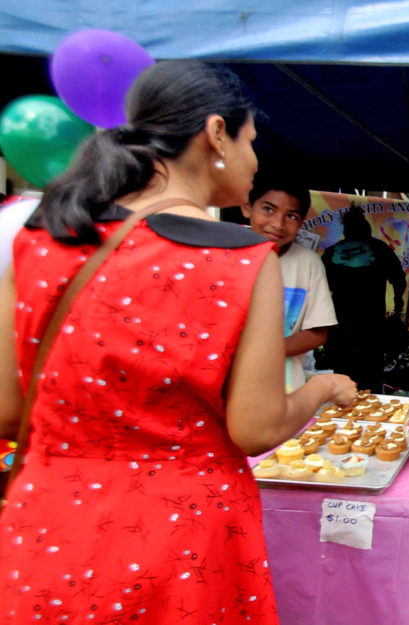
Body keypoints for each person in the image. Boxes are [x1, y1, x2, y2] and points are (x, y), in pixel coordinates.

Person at [0, 60, 357, 622]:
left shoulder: (39, 242)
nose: (255, 160)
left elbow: (7, 408)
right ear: (217, 134)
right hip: (183, 541)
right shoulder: (237, 260)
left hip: (51, 527)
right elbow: (256, 428)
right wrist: (320, 390)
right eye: (251, 141)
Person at [242, 176, 337, 391]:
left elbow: (318, 332)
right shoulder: (225, 256)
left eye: (291, 215)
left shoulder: (308, 263)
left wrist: (264, 352)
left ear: (302, 221)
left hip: (284, 389)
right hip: (227, 386)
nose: (278, 223)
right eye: (268, 209)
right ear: (247, 207)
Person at [321, 207, 407, 392]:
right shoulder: (380, 249)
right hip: (371, 326)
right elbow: (399, 279)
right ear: (365, 227)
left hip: (340, 326)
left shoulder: (331, 253)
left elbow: (322, 286)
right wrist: (398, 303)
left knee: (342, 380)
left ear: (346, 230)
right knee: (371, 379)